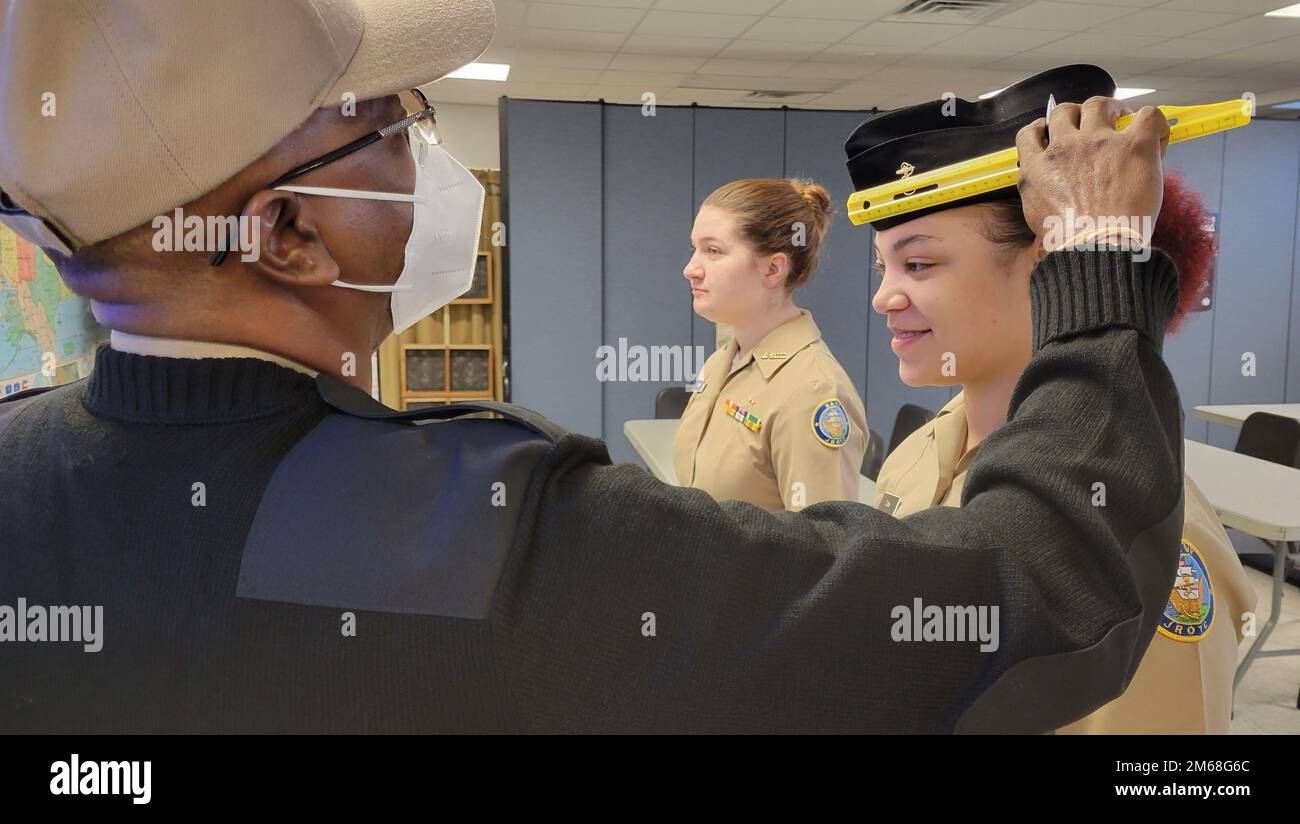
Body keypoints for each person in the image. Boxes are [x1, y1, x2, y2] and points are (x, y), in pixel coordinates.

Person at [0, 1, 1183, 733]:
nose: (422, 162)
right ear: (291, 232)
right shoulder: (483, 535)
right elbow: (1039, 594)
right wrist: (1093, 260)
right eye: (391, 128)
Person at [870, 142, 1257, 732]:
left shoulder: (1151, 538)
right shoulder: (919, 453)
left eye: (918, 264)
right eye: (884, 268)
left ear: (1050, 261)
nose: (883, 297)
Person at [673, 178, 867, 511]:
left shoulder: (813, 391)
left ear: (773, 268)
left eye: (713, 251)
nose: (690, 269)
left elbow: (823, 550)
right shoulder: (723, 362)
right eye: (694, 249)